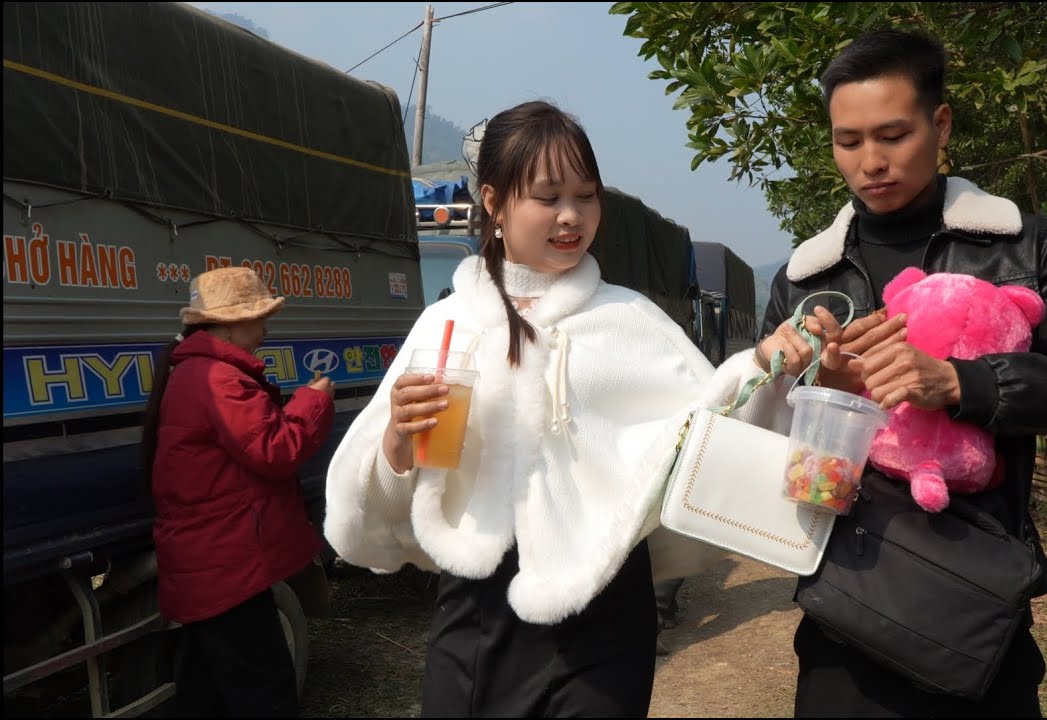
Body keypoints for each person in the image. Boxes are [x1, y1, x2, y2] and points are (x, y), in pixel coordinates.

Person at [323, 100, 761, 718]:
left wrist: (762, 369)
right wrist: (398, 439)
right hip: (476, 610)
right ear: (494, 203)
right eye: (548, 197)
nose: (571, 216)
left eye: (586, 196)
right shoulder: (448, 325)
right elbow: (380, 505)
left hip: (605, 611)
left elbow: (716, 431)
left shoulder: (630, 320)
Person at [754, 29, 1047, 718]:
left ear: (942, 124)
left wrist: (965, 383)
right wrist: (814, 394)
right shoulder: (806, 280)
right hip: (846, 608)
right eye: (848, 141)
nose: (871, 161)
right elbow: (768, 448)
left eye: (893, 135)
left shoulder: (1019, 244)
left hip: (975, 604)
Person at [142, 266, 336, 717]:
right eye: (260, 316)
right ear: (230, 323)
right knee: (265, 694)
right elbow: (276, 450)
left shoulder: (196, 372)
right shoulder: (219, 379)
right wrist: (313, 402)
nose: (267, 327)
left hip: (211, 563)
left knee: (206, 693)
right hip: (229, 568)